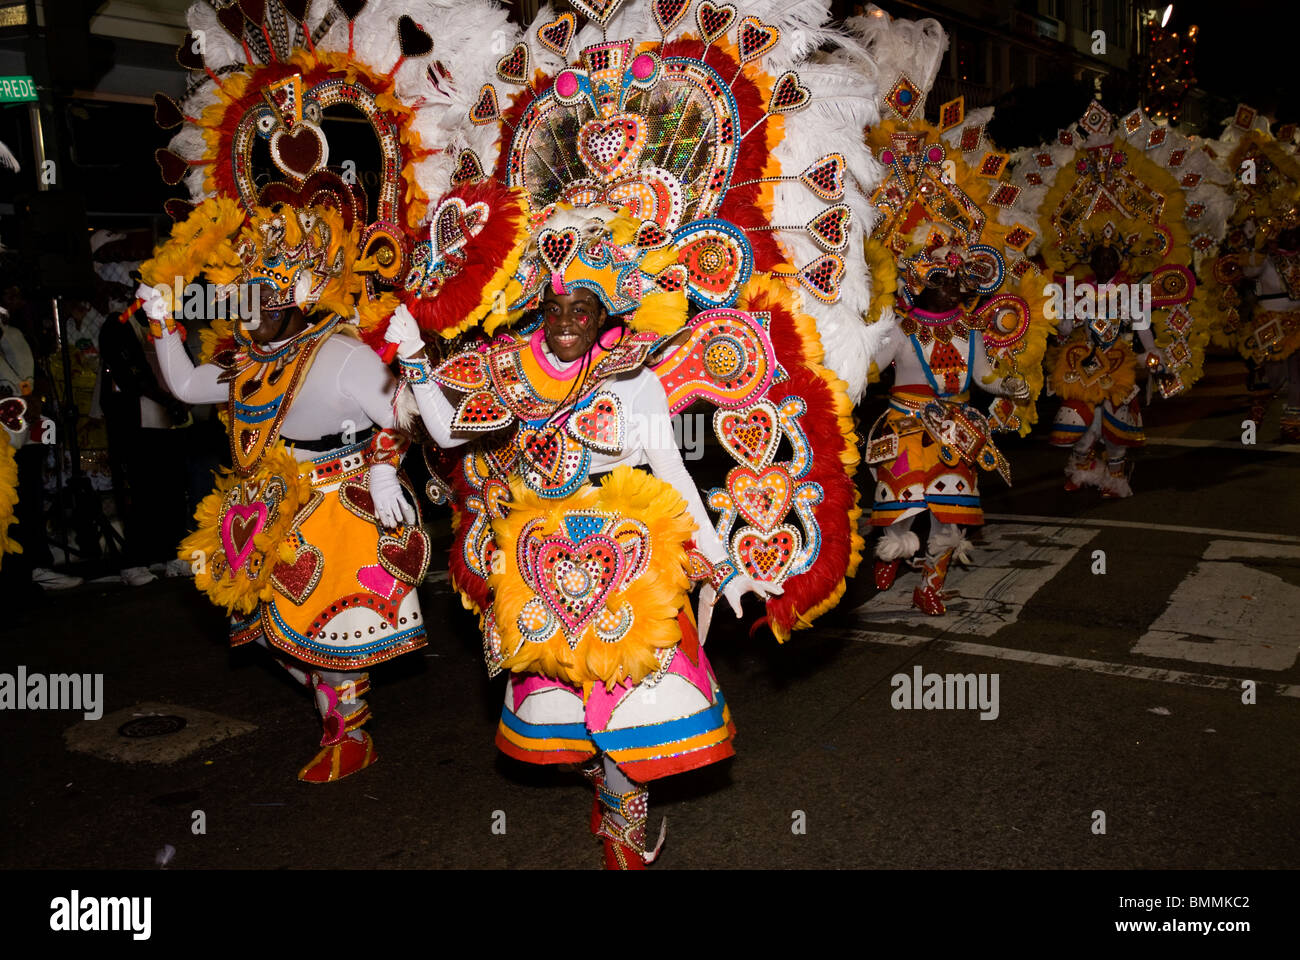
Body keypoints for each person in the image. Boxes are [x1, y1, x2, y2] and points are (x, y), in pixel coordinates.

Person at [389, 208, 781, 868]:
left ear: (606, 317)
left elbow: (676, 477)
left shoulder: (635, 383)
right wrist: (412, 362)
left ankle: (623, 831)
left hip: (625, 550)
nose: (568, 323)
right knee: (568, 707)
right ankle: (607, 785)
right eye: (557, 309)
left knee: (631, 700)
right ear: (541, 309)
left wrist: (723, 564)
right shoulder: (511, 369)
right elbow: (451, 432)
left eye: (582, 310)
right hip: (538, 555)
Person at [137, 201, 427, 783]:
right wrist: (164, 326)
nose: (250, 319)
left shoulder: (341, 353)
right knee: (270, 634)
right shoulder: (249, 358)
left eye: (264, 304)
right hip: (270, 505)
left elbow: (408, 412)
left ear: (299, 296)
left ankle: (350, 733)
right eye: (242, 306)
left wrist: (382, 468)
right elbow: (188, 386)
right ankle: (336, 705)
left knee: (334, 632)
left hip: (343, 501)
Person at [866, 247, 1030, 615]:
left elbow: (982, 375)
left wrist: (1006, 385)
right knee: (901, 507)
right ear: (920, 284)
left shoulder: (970, 330)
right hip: (905, 427)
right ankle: (892, 550)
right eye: (941, 280)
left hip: (956, 432)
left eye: (956, 280)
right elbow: (870, 367)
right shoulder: (900, 328)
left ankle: (930, 586)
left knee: (951, 510)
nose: (952, 288)